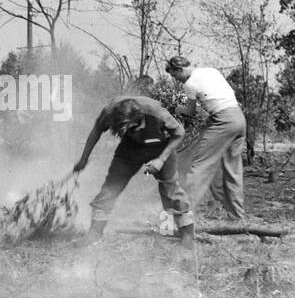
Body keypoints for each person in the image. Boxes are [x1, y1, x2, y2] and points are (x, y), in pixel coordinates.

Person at [73, 93, 195, 247]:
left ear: (139, 118)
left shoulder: (155, 112)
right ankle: (94, 234)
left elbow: (179, 133)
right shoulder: (109, 113)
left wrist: (160, 160)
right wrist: (84, 158)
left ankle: (187, 236)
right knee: (111, 188)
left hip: (161, 144)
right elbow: (96, 131)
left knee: (170, 189)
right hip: (131, 148)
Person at [164, 56, 247, 220]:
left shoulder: (189, 84)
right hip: (239, 119)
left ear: (179, 69)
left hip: (223, 122)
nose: (176, 80)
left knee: (199, 167)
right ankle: (238, 218)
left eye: (175, 76)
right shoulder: (211, 71)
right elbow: (221, 98)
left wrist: (176, 109)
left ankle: (182, 215)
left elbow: (190, 111)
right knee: (233, 172)